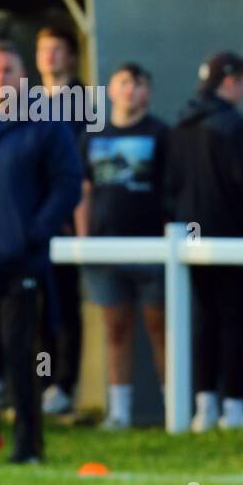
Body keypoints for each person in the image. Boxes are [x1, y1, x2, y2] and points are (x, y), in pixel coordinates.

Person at [0, 41, 82, 462]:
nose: (0, 77)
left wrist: (35, 231)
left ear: (23, 77)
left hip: (20, 260)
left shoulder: (45, 125)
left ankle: (28, 444)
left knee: (23, 355)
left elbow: (68, 183)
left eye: (8, 69)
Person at [166, 51, 243, 431]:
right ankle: (234, 408)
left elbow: (171, 185)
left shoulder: (180, 124)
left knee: (204, 320)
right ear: (229, 80)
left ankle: (204, 406)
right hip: (233, 236)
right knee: (236, 323)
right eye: (242, 81)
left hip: (191, 239)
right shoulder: (234, 126)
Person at [77, 63, 169, 430]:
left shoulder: (161, 133)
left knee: (159, 327)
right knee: (116, 329)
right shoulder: (92, 134)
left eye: (138, 84)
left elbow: (171, 190)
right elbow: (82, 190)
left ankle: (172, 410)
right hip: (105, 249)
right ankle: (120, 413)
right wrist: (84, 240)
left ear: (147, 92)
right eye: (123, 83)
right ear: (110, 90)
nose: (131, 90)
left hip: (153, 249)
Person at [35, 18, 86, 416]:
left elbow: (79, 170)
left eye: (56, 48)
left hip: (63, 222)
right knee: (33, 306)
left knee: (64, 304)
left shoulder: (81, 101)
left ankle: (64, 385)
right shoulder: (27, 101)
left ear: (71, 55)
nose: (49, 56)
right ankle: (38, 383)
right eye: (42, 49)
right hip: (28, 225)